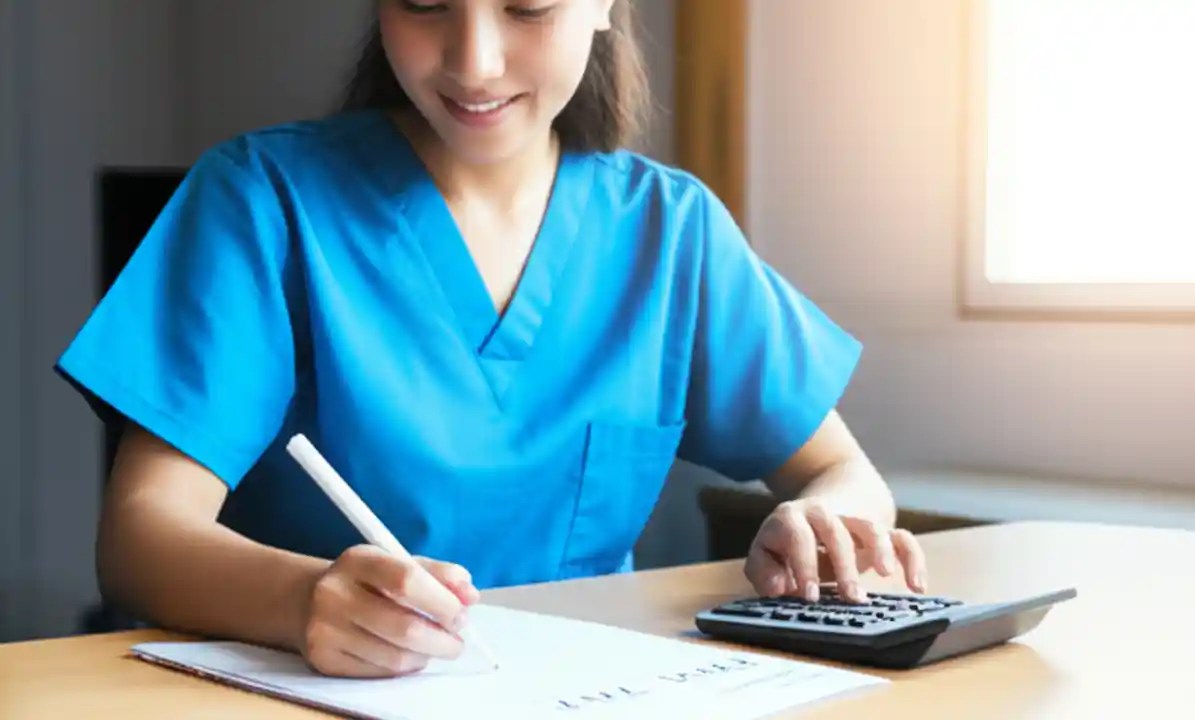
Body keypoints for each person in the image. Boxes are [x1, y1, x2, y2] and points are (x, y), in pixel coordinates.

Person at [56, 0, 927, 679]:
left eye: (528, 8)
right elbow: (140, 540)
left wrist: (828, 524)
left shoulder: (671, 231)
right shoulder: (261, 201)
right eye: (424, 3)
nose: (473, 61)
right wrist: (304, 600)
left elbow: (841, 472)